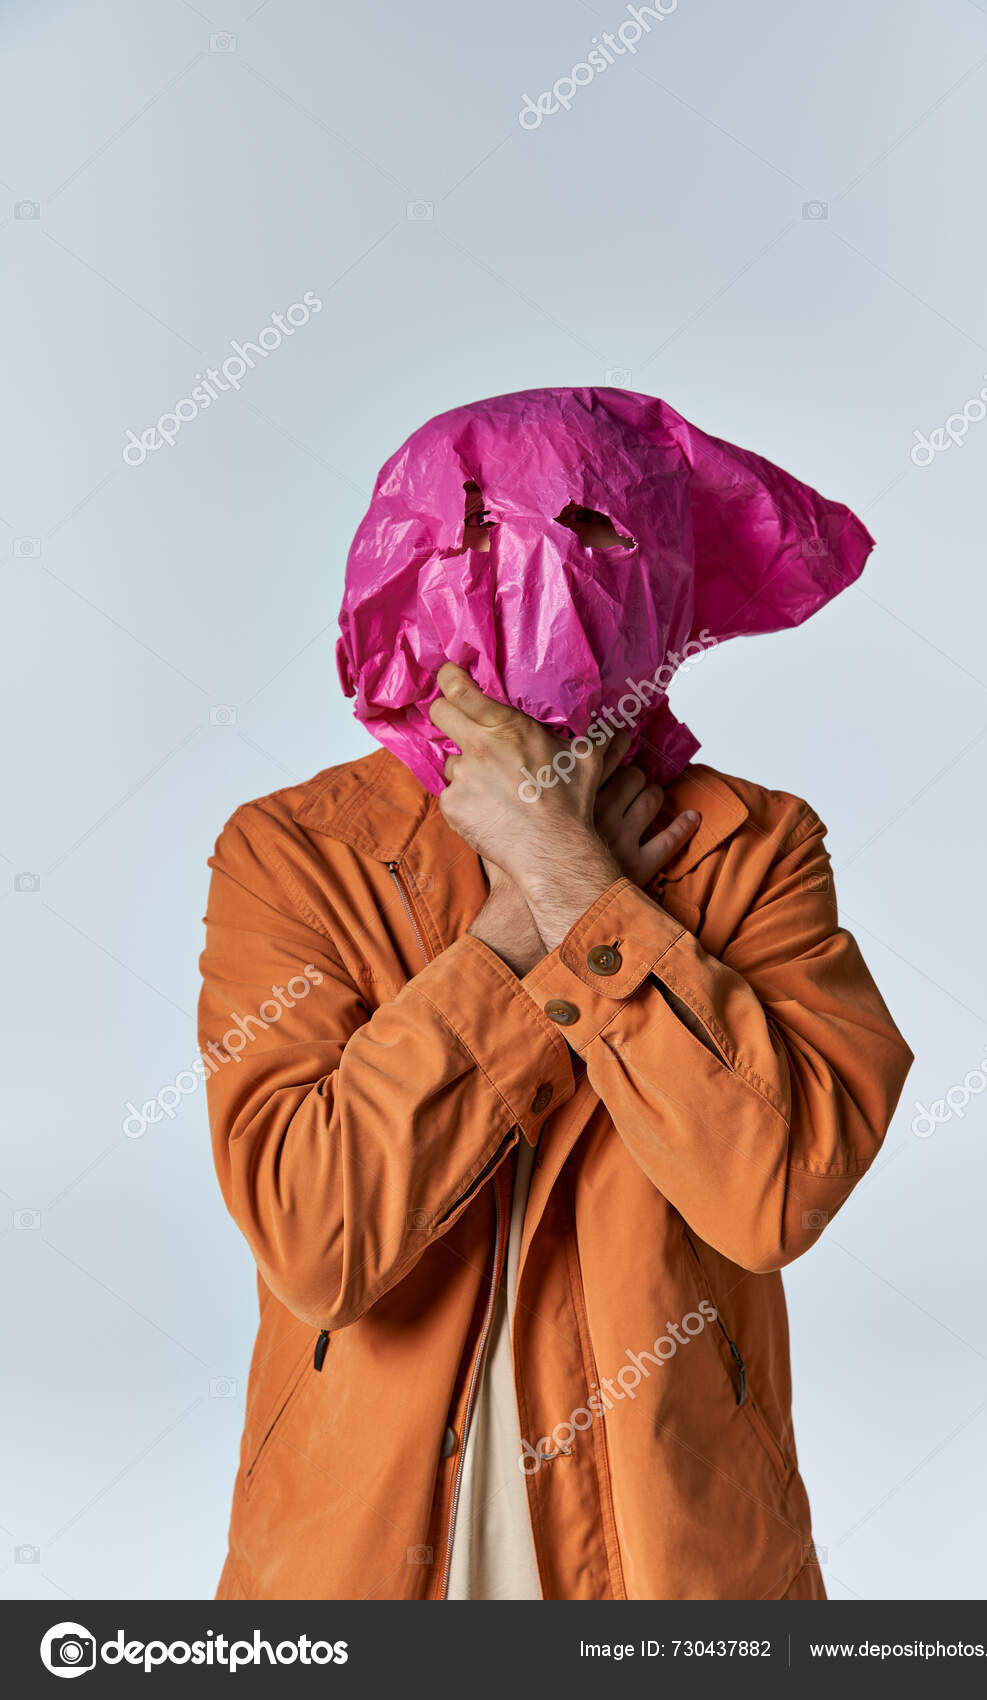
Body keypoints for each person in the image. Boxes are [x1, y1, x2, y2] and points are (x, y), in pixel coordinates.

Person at [198, 388, 912, 1601]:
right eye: (476, 532)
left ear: (666, 575)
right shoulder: (294, 852)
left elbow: (776, 1188)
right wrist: (526, 912)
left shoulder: (751, 847)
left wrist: (579, 880)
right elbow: (319, 1239)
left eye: (598, 532)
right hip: (353, 1566)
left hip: (674, 1565)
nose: (536, 571)